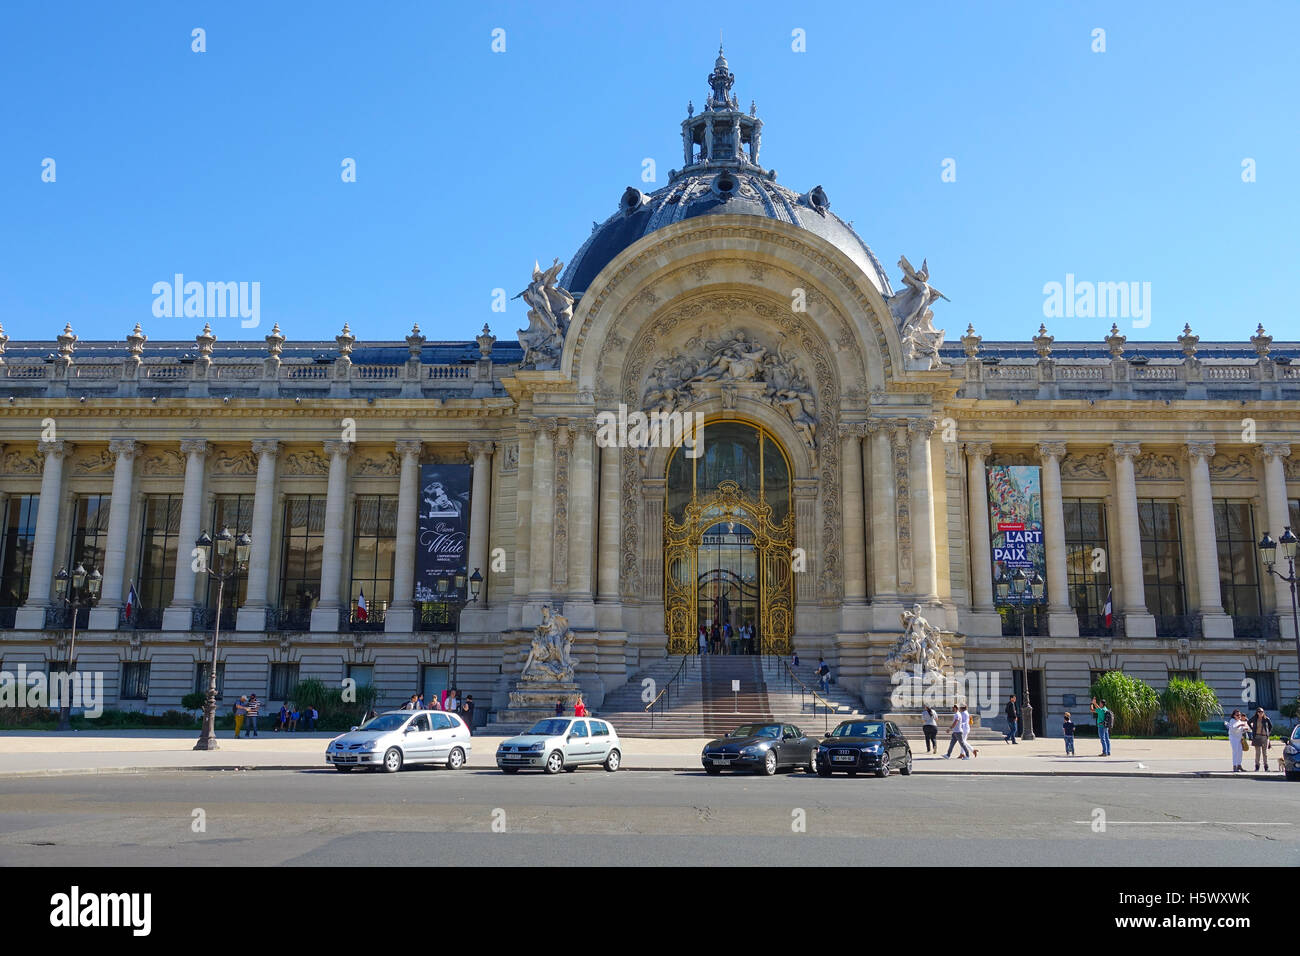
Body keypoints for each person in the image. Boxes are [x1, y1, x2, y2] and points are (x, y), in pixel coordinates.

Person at [1249, 706, 1273, 772]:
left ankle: (1266, 766)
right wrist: (1252, 729)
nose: (1261, 713)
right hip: (1257, 736)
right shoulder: (1254, 718)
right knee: (1258, 753)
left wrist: (1268, 733)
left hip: (1265, 737)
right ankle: (1257, 766)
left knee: (1265, 753)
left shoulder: (1266, 719)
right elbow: (1248, 722)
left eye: (1262, 712)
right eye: (1259, 712)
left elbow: (1271, 726)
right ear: (1257, 712)